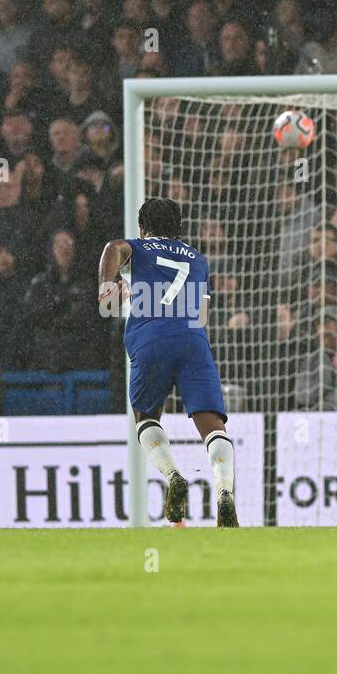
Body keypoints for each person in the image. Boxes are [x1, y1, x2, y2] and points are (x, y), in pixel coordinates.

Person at [96, 197, 237, 527]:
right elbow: (202, 314)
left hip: (150, 338)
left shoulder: (140, 247)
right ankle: (225, 492)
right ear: (179, 228)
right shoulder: (198, 259)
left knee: (146, 417)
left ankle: (173, 476)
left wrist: (107, 287)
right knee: (213, 427)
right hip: (193, 340)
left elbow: (113, 247)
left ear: (143, 227)